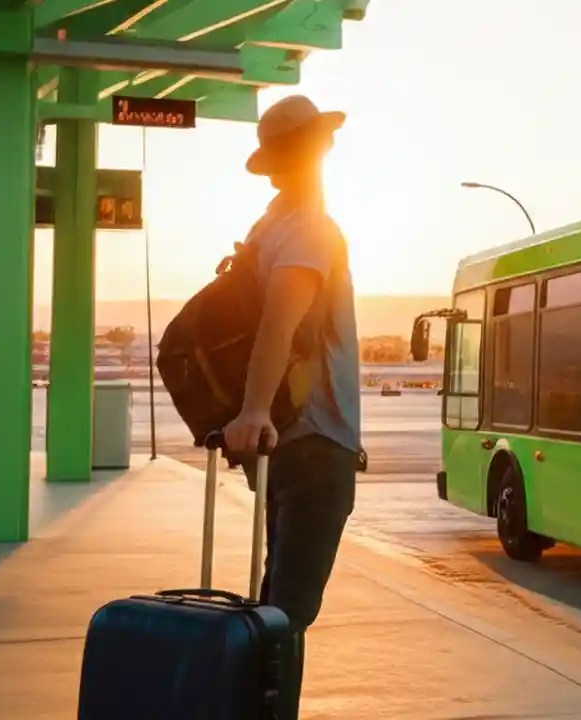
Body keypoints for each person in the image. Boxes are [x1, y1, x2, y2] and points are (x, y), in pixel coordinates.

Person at [221, 94, 361, 717]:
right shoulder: (308, 229)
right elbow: (278, 326)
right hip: (306, 441)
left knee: (277, 599)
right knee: (287, 614)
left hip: (291, 439)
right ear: (313, 151)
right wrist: (256, 411)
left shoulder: (266, 230)